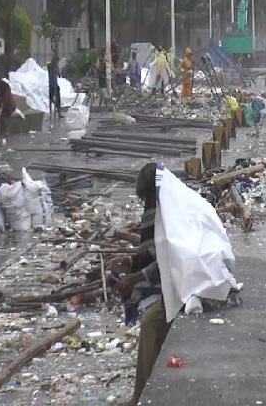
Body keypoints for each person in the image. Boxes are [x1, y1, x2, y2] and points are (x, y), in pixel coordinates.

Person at [111, 163, 170, 405]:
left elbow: (166, 261)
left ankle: (140, 396)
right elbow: (153, 251)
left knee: (149, 324)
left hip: (188, 283)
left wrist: (135, 277)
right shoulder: (166, 206)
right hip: (181, 281)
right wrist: (131, 261)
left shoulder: (162, 211)